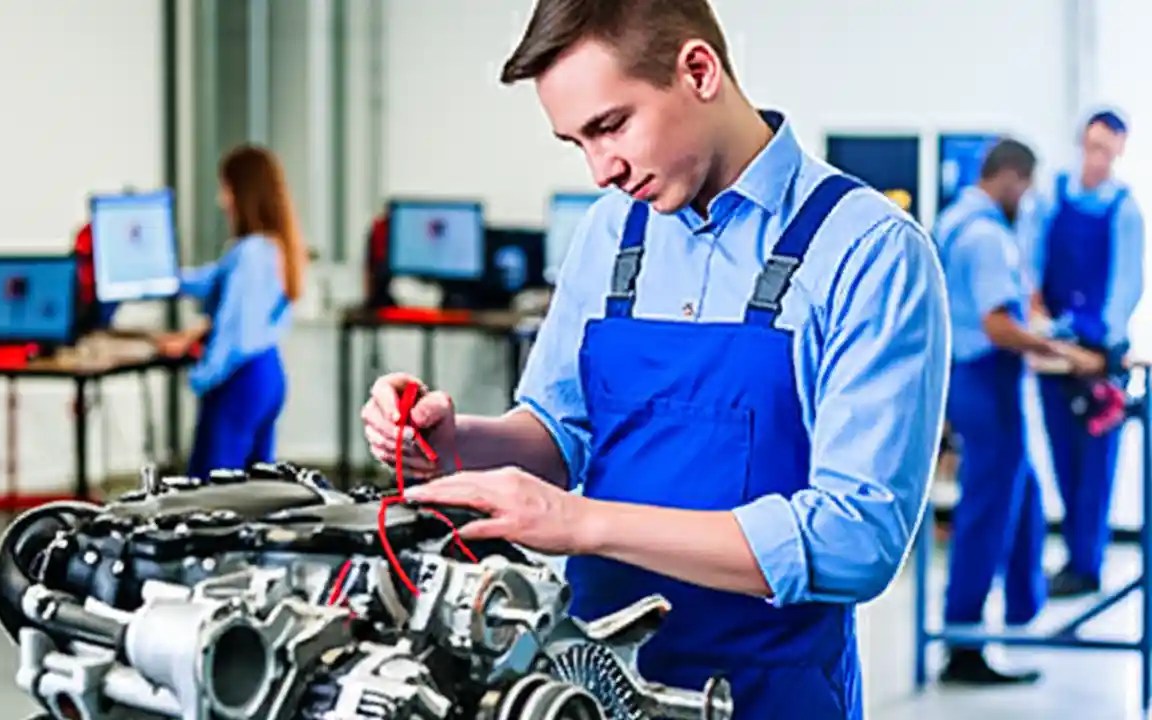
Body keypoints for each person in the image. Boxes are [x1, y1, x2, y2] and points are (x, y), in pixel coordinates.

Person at [360, 2, 950, 716]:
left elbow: (858, 538)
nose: (600, 168)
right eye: (576, 141)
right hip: (590, 689)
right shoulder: (612, 229)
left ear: (699, 71)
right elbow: (561, 430)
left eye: (611, 126)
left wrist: (583, 522)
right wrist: (457, 443)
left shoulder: (869, 251)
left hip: (768, 693)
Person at [932, 139, 1095, 685]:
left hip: (968, 376)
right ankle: (964, 642)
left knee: (1020, 490)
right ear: (1010, 177)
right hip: (986, 379)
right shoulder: (985, 235)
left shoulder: (953, 219)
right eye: (1024, 187)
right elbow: (999, 325)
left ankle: (1025, 606)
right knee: (987, 507)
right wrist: (1068, 353)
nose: (1025, 198)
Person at [1027, 110, 1145, 598]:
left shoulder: (1125, 210)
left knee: (1096, 463)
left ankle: (1086, 562)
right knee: (1063, 458)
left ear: (1119, 151)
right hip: (1054, 350)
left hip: (1098, 357)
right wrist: (1043, 324)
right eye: (1091, 147)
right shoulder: (1053, 198)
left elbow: (1126, 284)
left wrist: (1102, 348)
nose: (1096, 158)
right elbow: (1031, 265)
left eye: (1106, 150)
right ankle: (1075, 555)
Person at [154, 144, 306, 479]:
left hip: (240, 379)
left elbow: (235, 332)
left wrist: (202, 377)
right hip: (267, 375)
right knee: (252, 492)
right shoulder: (272, 248)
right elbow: (211, 285)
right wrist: (154, 275)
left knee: (214, 494)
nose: (221, 201)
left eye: (225, 189)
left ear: (244, 192)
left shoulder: (250, 254)